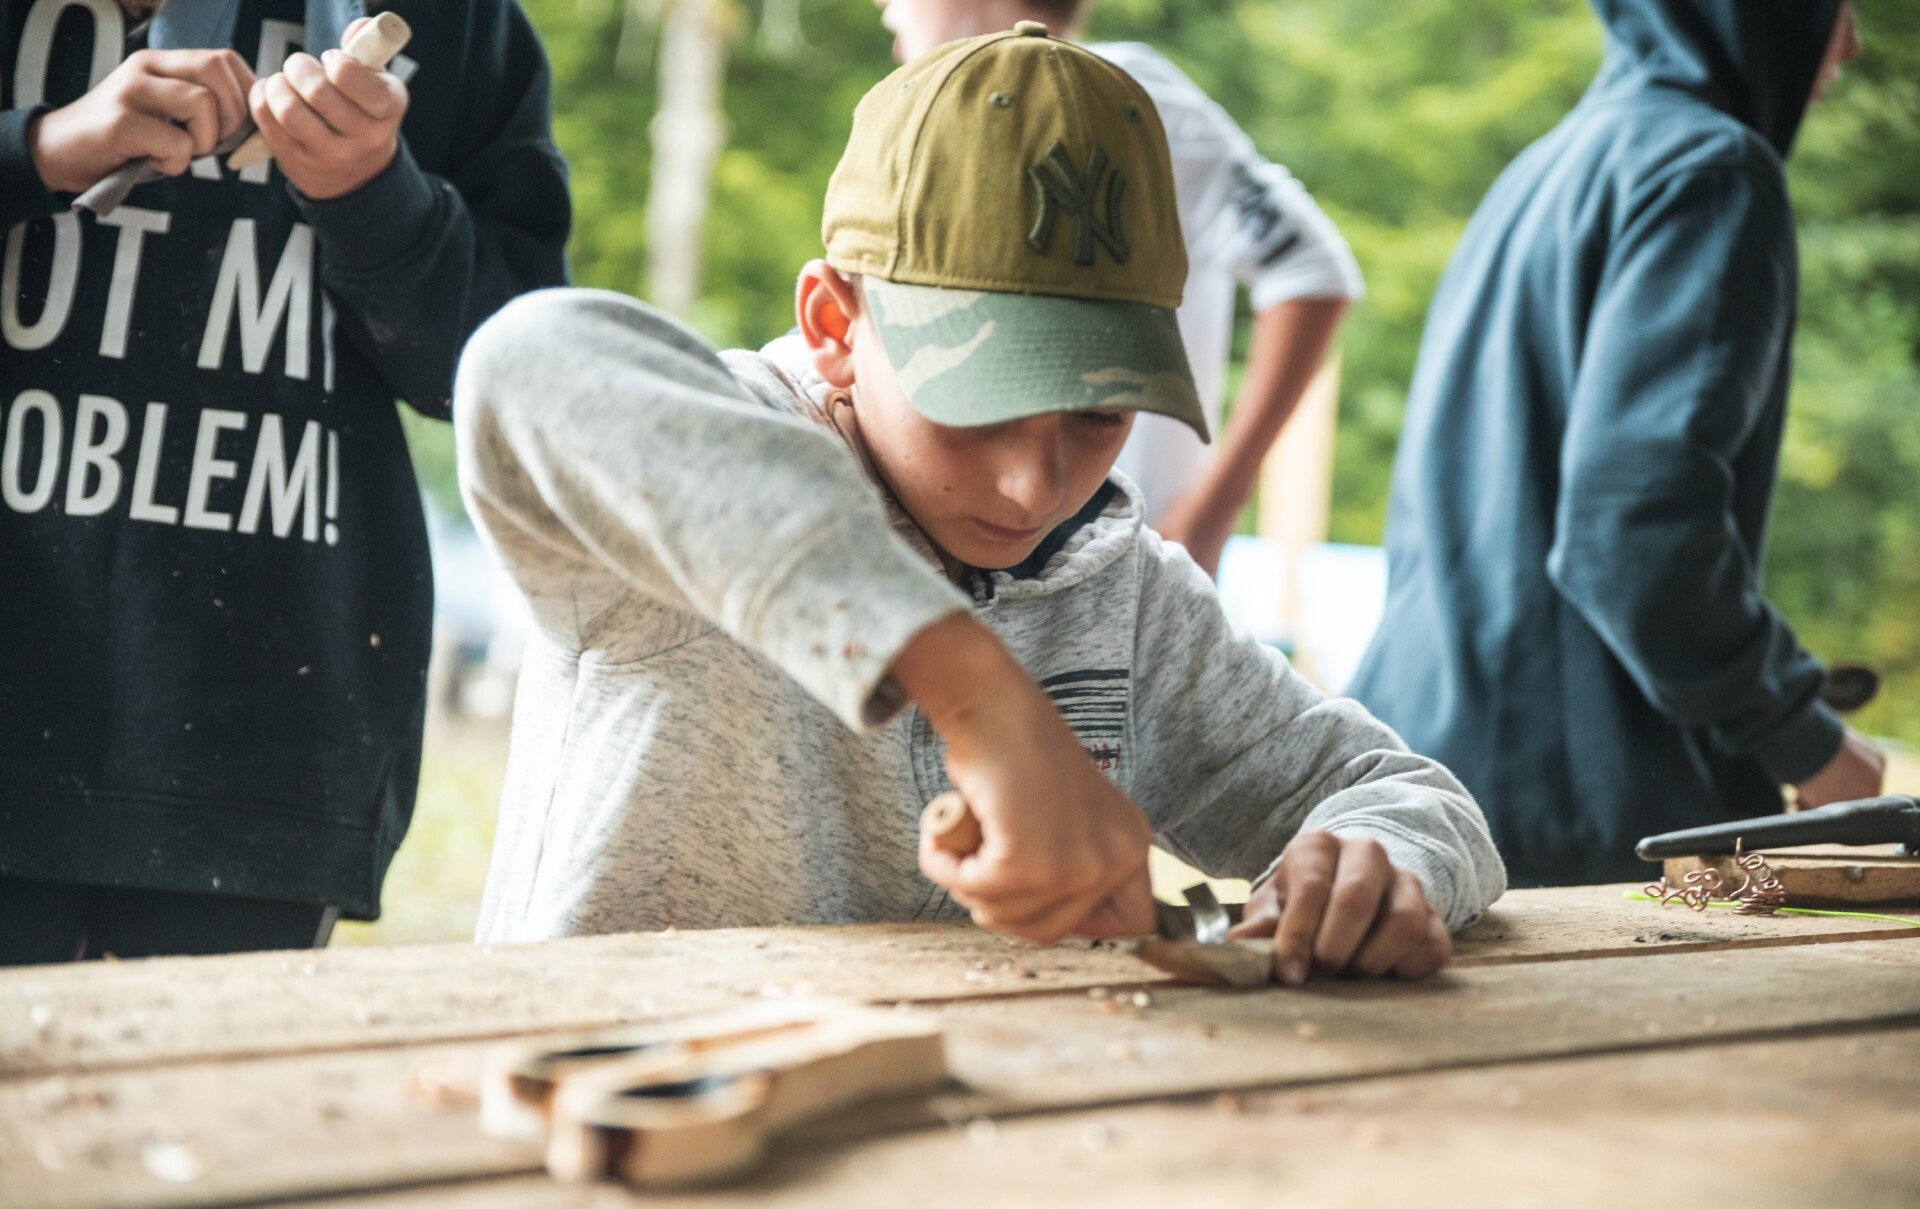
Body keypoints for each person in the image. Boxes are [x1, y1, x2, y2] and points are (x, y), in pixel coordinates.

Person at [456, 27, 1502, 985]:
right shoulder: (686, 497)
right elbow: (529, 356)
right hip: (600, 1094)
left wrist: (1370, 865)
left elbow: (1411, 794)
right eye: (979, 403)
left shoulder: (1128, 595)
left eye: (1098, 416)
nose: (1035, 486)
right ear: (833, 322)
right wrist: (980, 695)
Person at [0, 0, 571, 962]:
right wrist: (38, 152)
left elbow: (515, 370)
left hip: (259, 761)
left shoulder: (455, 22)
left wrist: (374, 196)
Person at [1347, 0, 1880, 888]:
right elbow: (1634, 533)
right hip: (1581, 807)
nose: (1852, 42)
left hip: (1417, 761)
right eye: (1841, 6)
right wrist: (1804, 737)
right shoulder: (1712, 171)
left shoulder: (1546, 167)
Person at [876, 0, 1362, 575]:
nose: (886, 10)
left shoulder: (1122, 99)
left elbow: (1312, 272)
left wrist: (1215, 506)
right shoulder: (943, 122)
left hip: (1119, 555)